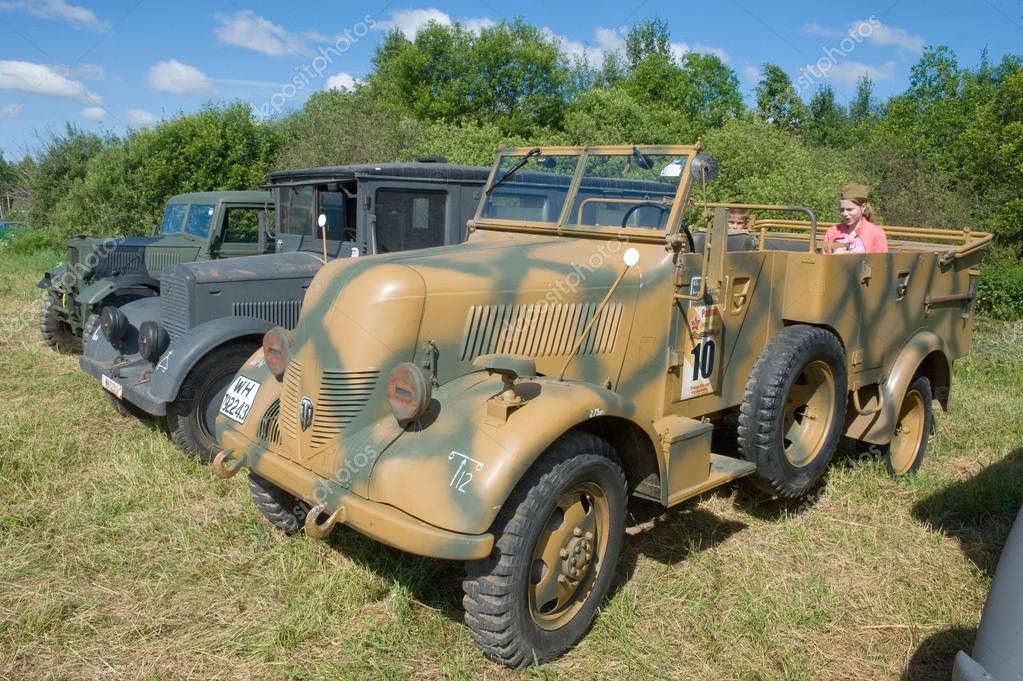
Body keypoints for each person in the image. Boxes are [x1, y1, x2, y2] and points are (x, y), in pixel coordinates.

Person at [825, 183, 888, 253]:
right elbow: (823, 260)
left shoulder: (876, 233)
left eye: (850, 209)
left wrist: (851, 257)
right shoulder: (832, 232)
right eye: (842, 210)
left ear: (863, 207)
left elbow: (880, 262)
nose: (845, 214)